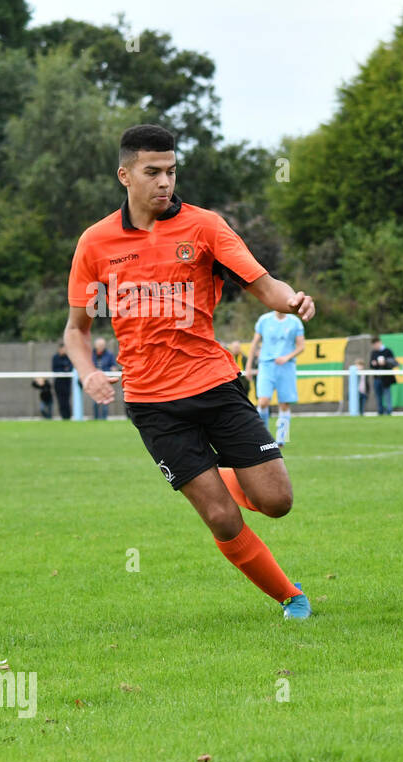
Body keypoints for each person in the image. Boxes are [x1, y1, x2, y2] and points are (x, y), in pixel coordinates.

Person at [64, 123, 312, 620]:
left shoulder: (205, 227)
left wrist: (292, 299)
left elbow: (263, 284)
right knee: (221, 517)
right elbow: (75, 329)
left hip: (214, 384)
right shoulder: (96, 243)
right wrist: (88, 370)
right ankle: (291, 596)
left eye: (171, 171)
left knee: (277, 500)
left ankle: (216, 471)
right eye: (152, 172)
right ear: (125, 175)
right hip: (152, 404)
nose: (165, 182)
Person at [244, 310, 305, 447]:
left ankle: (282, 438)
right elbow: (254, 343)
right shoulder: (264, 320)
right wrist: (248, 366)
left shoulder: (295, 322)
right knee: (263, 401)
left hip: (286, 367)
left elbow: (301, 346)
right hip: (266, 365)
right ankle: (263, 437)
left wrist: (287, 357)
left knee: (284, 403)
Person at [368, 336, 398, 415]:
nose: (375, 347)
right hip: (377, 378)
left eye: (376, 344)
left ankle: (389, 411)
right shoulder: (373, 352)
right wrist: (375, 364)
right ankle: (380, 411)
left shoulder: (388, 351)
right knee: (378, 396)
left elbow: (394, 363)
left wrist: (385, 362)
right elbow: (371, 364)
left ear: (379, 342)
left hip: (386, 378)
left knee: (387, 395)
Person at [90, 337, 118, 419]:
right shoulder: (91, 354)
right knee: (95, 401)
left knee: (105, 401)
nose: (102, 346)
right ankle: (96, 418)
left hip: (106, 380)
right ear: (96, 345)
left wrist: (110, 369)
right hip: (95, 381)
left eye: (103, 345)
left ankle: (104, 418)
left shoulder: (109, 354)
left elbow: (113, 367)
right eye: (100, 345)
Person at [51, 343, 74, 420]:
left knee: (66, 400)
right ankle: (63, 416)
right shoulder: (55, 358)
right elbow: (55, 369)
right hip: (59, 382)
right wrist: (64, 368)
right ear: (60, 349)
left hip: (67, 382)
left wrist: (64, 368)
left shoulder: (68, 357)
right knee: (60, 400)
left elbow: (70, 368)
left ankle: (68, 416)